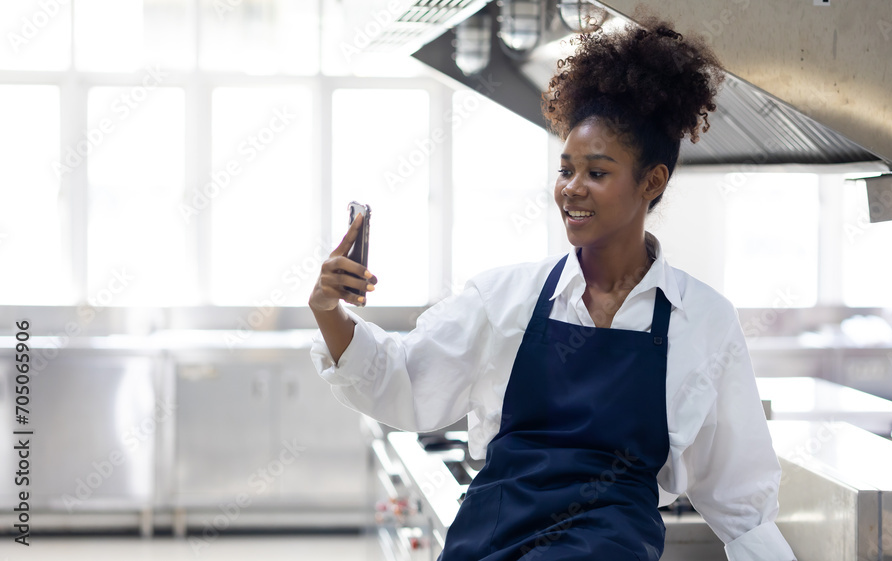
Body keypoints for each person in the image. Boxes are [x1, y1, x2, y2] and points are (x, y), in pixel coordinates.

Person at [308, 13, 796, 561]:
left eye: (597, 172)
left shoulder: (701, 320)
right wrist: (327, 309)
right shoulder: (506, 298)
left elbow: (741, 502)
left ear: (652, 181)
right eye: (566, 170)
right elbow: (401, 380)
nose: (572, 190)